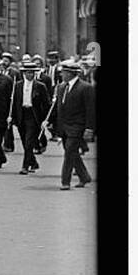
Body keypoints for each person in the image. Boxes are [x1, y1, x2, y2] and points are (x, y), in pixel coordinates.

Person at [49, 59, 95, 189]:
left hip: (77, 127)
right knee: (73, 153)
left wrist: (89, 129)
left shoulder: (86, 88)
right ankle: (84, 176)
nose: (61, 74)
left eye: (63, 72)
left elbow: (90, 110)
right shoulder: (61, 87)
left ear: (70, 73)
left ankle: (65, 181)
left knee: (69, 153)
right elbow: (58, 108)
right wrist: (51, 122)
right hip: (64, 127)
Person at [11, 57, 52, 174]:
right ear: (24, 73)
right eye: (28, 72)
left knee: (29, 141)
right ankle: (33, 163)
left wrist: (46, 119)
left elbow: (46, 104)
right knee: (24, 141)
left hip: (33, 116)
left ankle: (25, 166)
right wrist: (12, 117)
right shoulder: (18, 85)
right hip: (21, 115)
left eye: (32, 72)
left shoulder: (40, 86)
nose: (30, 75)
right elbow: (14, 103)